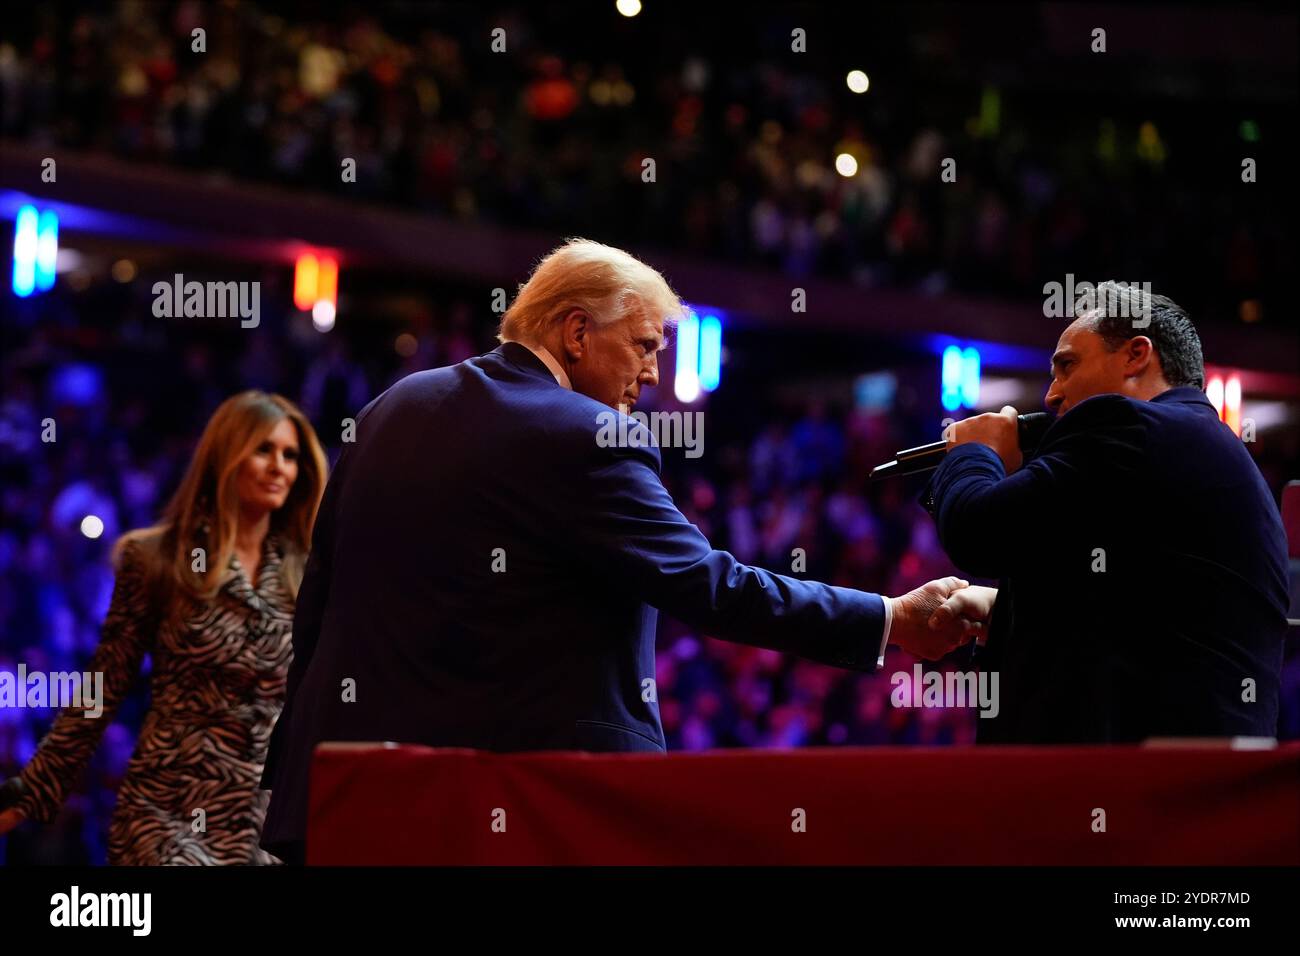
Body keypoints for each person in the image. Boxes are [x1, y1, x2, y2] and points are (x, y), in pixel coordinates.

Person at [259, 238, 983, 863]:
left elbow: (318, 599)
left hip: (340, 797)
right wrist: (888, 619)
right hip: (503, 810)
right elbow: (707, 584)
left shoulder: (392, 408)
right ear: (576, 332)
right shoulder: (586, 434)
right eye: (643, 348)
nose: (651, 376)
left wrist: (295, 775)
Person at [925, 282, 1289, 743]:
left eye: (1067, 366)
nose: (1052, 396)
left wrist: (975, 452)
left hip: (1134, 785)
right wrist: (1010, 610)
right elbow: (1149, 608)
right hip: (1190, 779)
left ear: (1137, 355)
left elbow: (975, 530)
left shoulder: (1130, 428)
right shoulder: (1198, 445)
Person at [0, 392, 327, 863]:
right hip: (165, 810)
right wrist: (33, 789)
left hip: (263, 824)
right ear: (226, 456)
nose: (280, 466)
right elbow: (104, 688)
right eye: (263, 449)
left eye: (290, 455)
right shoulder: (155, 559)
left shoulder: (308, 574)